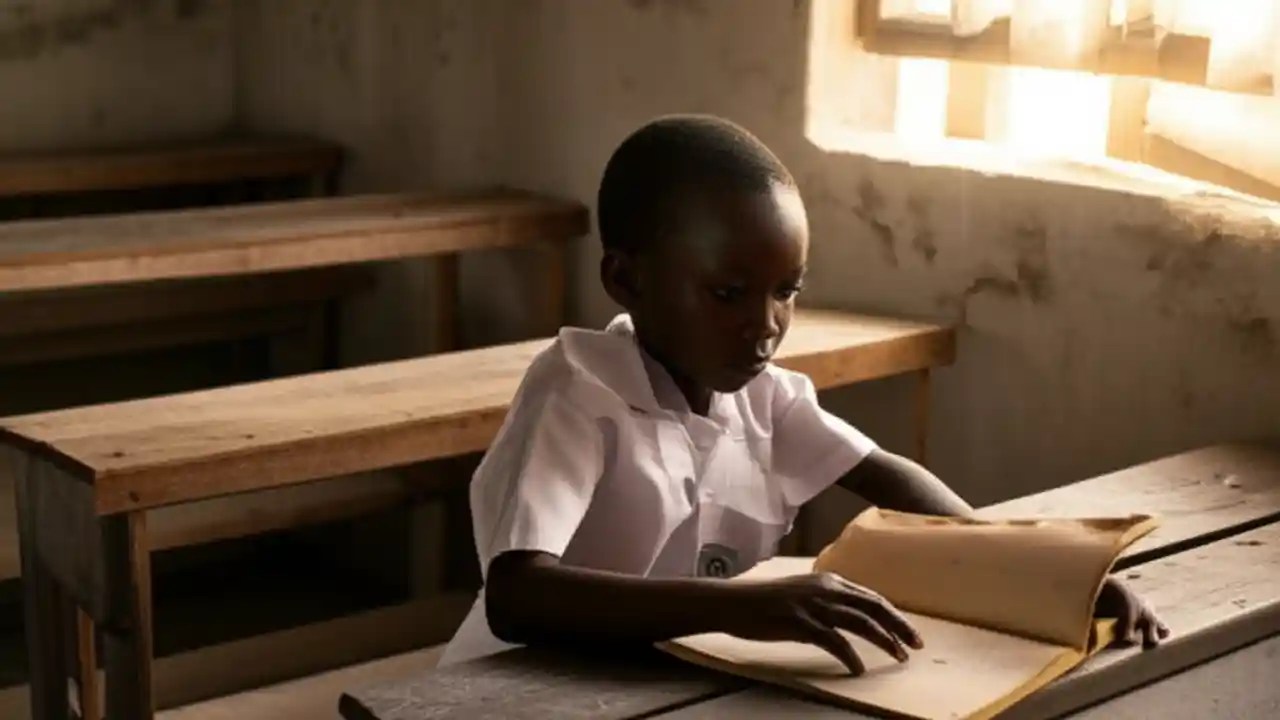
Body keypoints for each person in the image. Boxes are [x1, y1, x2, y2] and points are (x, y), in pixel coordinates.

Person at [438, 115, 1168, 672]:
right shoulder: (577, 392)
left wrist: (1056, 573)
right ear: (627, 280)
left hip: (656, 679)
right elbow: (518, 596)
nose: (766, 326)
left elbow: (887, 476)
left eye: (786, 291)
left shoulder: (764, 396)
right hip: (514, 690)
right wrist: (740, 608)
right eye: (728, 293)